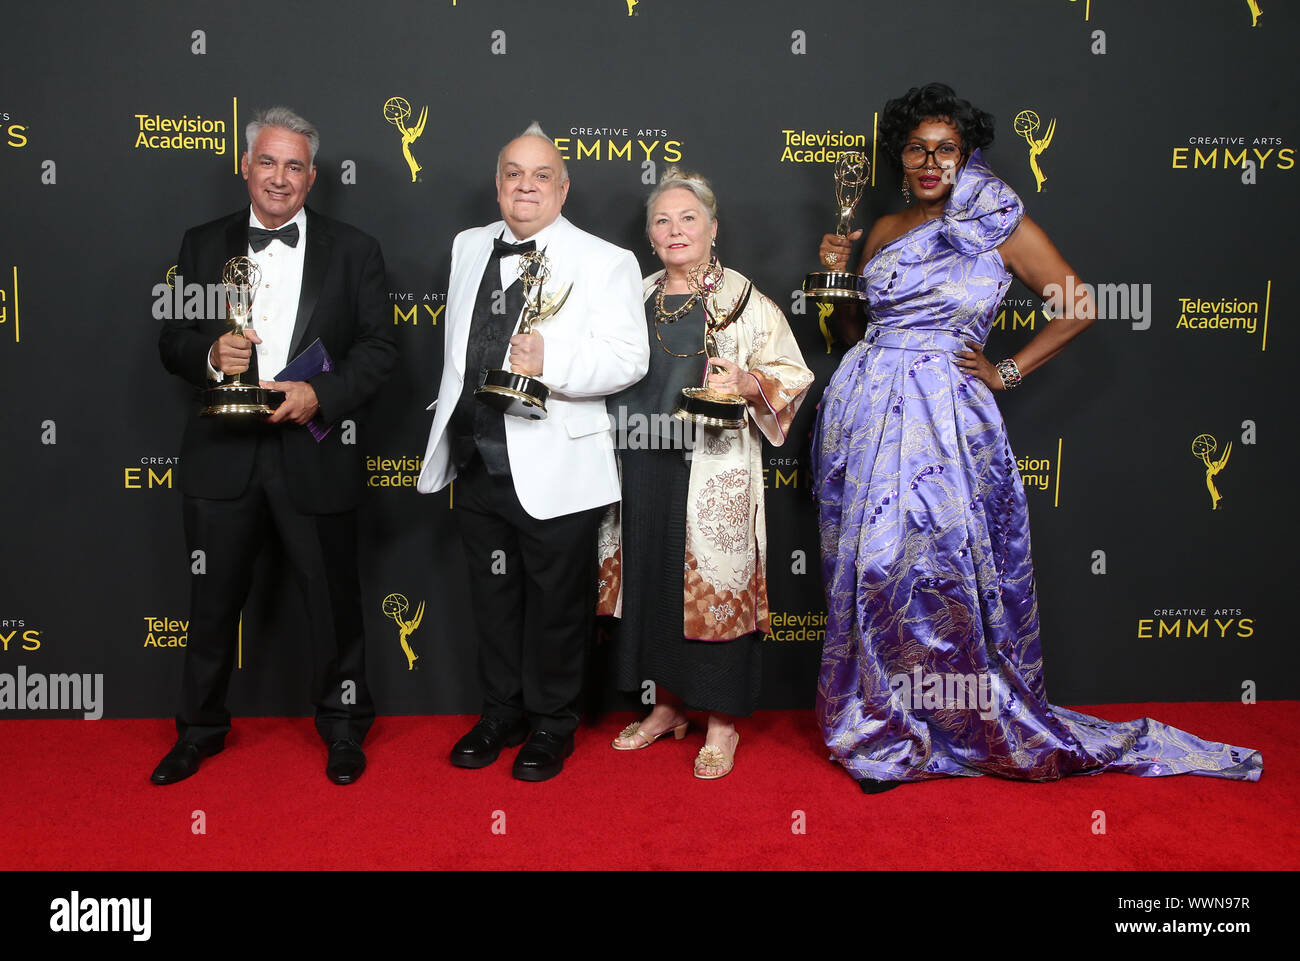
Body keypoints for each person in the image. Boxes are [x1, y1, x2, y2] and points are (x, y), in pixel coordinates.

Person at [812, 83, 1262, 792]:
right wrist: (837, 280)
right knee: (872, 568)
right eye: (916, 148)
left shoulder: (1000, 223)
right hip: (865, 411)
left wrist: (1008, 369)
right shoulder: (886, 227)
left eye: (945, 149)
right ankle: (884, 723)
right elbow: (851, 333)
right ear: (900, 156)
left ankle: (954, 724)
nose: (930, 161)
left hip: (947, 419)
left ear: (966, 156)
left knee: (942, 566)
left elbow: (1078, 303)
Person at [154, 106, 397, 785]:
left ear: (313, 176)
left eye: (294, 166)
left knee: (334, 604)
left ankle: (345, 729)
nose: (280, 178)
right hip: (221, 456)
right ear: (245, 166)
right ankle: (198, 731)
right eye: (268, 161)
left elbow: (381, 350)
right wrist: (209, 352)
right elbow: (170, 341)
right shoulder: (201, 244)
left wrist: (324, 394)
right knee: (209, 608)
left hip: (314, 451)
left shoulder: (355, 250)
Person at [416, 123, 649, 782]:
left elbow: (630, 358)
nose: (525, 185)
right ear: (498, 185)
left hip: (556, 463)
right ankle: (501, 712)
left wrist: (555, 362)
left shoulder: (606, 260)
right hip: (477, 456)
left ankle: (553, 723)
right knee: (493, 600)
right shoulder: (467, 247)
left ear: (563, 186)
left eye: (540, 174)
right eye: (513, 173)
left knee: (555, 607)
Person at [598, 169, 812, 779]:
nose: (675, 230)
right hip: (640, 464)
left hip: (713, 471)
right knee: (652, 589)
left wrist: (747, 383)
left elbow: (793, 372)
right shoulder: (632, 297)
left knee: (715, 592)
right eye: (662, 220)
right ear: (649, 234)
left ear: (713, 229)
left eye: (688, 218)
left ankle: (721, 723)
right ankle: (666, 707)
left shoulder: (744, 300)